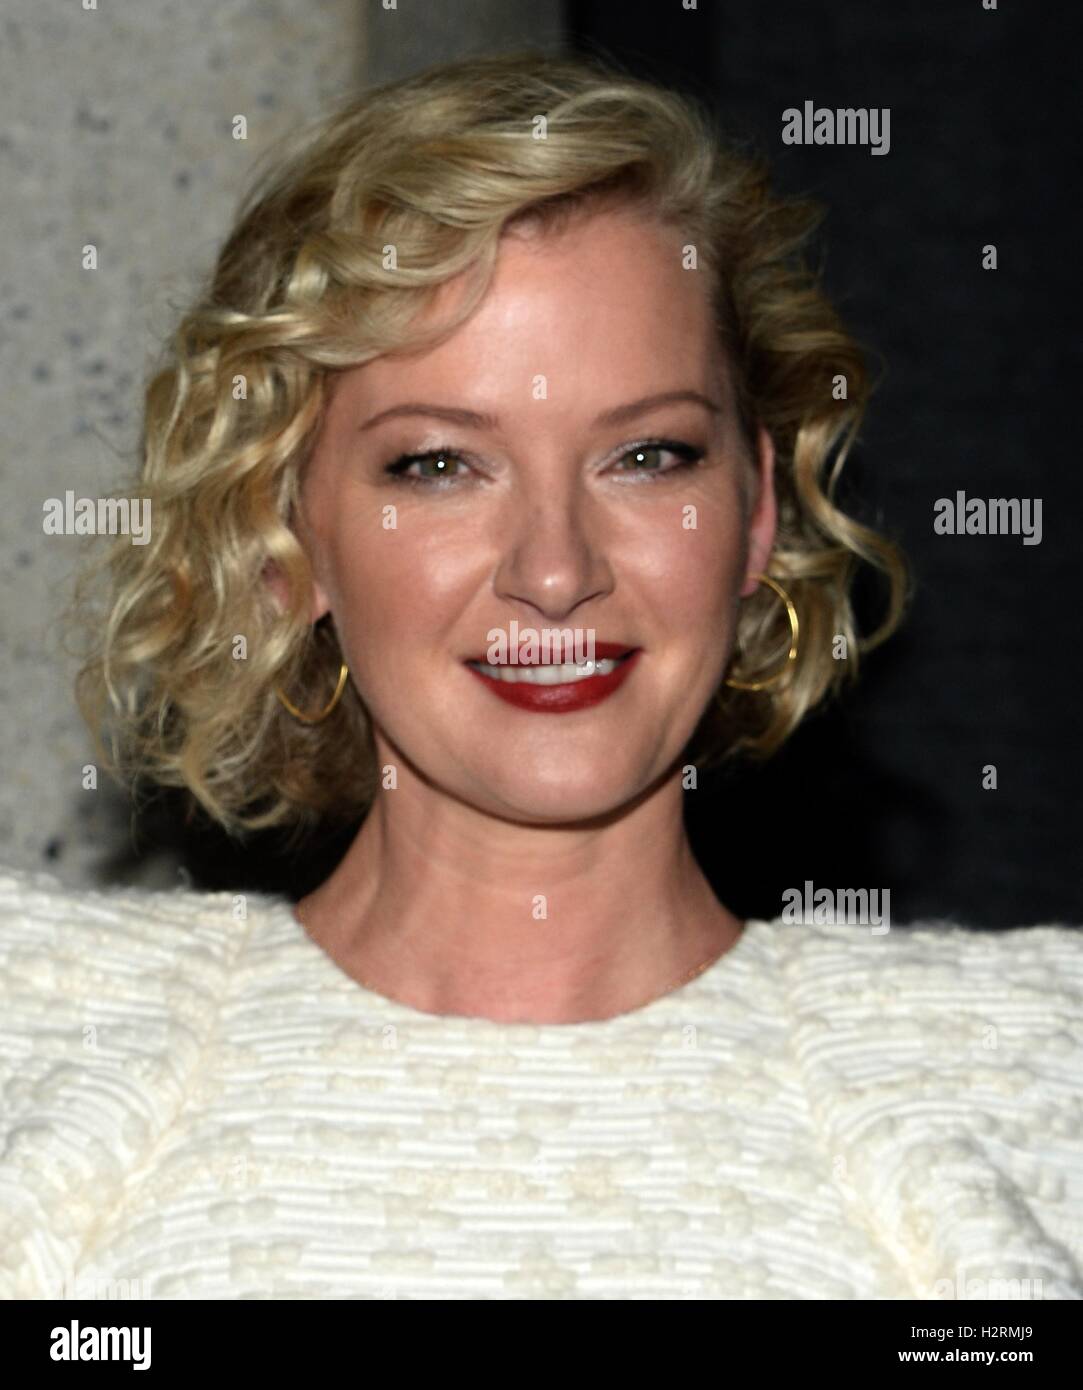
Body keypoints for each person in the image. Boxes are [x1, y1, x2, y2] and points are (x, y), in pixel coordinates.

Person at [1, 50, 1079, 1301]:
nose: (556, 570)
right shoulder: (42, 1042)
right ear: (284, 540)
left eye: (649, 454)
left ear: (754, 512)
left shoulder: (1016, 1073)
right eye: (440, 466)